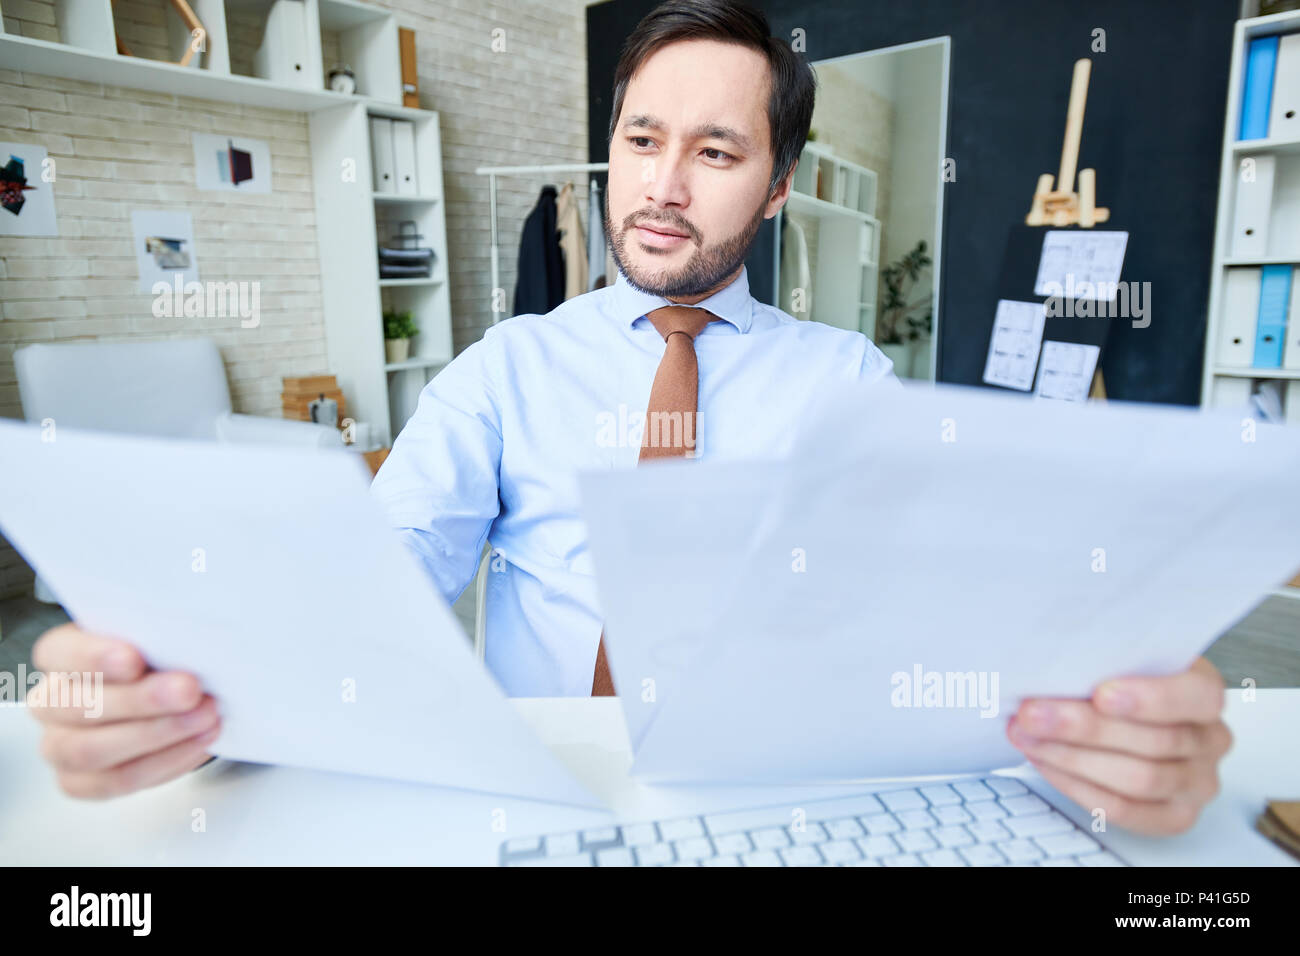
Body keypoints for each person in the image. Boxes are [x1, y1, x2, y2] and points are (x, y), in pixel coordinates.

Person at [26, 0, 1230, 836]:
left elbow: (957, 617)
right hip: (532, 784)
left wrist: (1103, 722)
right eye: (640, 138)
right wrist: (205, 684)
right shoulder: (507, 367)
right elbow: (377, 571)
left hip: (768, 800)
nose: (659, 183)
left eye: (715, 149)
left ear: (777, 185)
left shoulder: (850, 381)